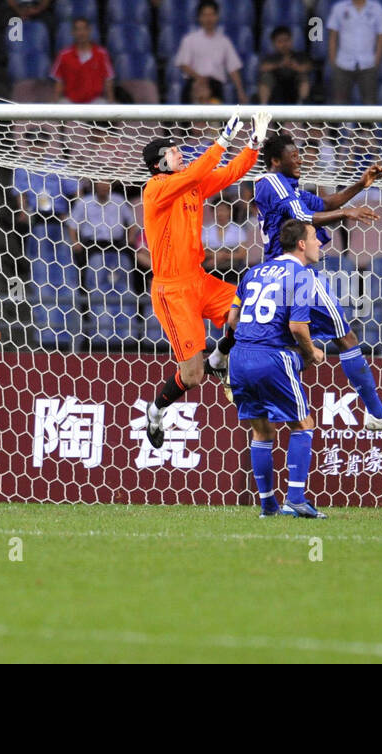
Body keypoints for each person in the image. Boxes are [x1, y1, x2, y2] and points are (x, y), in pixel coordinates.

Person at [253, 131, 382, 431]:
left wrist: (360, 186)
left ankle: (231, 365)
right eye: (293, 154)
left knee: (285, 345)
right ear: (275, 160)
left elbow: (323, 204)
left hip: (274, 274)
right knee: (345, 337)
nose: (299, 159)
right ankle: (377, 414)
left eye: (299, 153)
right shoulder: (270, 181)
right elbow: (302, 216)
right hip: (295, 270)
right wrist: (348, 213)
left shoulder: (289, 186)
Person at [140, 112, 265, 449]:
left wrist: (253, 145)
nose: (179, 153)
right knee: (193, 375)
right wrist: (222, 140)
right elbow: (201, 168)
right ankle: (155, 410)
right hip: (171, 290)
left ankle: (220, 356)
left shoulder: (191, 184)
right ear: (158, 163)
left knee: (251, 309)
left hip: (198, 279)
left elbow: (229, 174)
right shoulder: (155, 189)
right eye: (173, 150)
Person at [228, 218, 328, 518]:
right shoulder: (302, 275)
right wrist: (311, 353)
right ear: (301, 244)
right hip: (271, 357)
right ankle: (295, 498)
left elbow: (231, 320)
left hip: (240, 356)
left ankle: (268, 506)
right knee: (303, 423)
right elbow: (298, 326)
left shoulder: (254, 271)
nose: (319, 243)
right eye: (314, 238)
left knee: (261, 431)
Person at [326, 0, 382, 106]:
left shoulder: (377, 9)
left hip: (368, 63)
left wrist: (376, 61)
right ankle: (343, 129)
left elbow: (381, 36)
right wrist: (334, 61)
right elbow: (333, 36)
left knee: (369, 108)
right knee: (340, 107)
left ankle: (366, 130)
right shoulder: (339, 8)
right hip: (343, 63)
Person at [173, 0, 245, 104]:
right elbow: (183, 64)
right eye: (205, 15)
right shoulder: (190, 39)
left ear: (217, 16)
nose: (208, 19)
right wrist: (200, 78)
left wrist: (240, 91)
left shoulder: (224, 41)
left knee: (214, 116)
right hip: (194, 82)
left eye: (211, 15)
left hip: (215, 85)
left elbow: (233, 68)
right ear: (199, 17)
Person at [52, 17, 115, 104]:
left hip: (95, 102)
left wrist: (111, 102)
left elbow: (108, 80)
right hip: (71, 102)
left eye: (84, 29)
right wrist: (55, 102)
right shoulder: (63, 55)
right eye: (78, 30)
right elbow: (59, 82)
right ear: (73, 32)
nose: (81, 33)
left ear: (89, 31)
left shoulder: (102, 54)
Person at [258, 26, 311, 105]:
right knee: (265, 77)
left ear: (291, 40)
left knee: (304, 77)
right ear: (274, 43)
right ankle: (263, 107)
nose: (284, 44)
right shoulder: (270, 57)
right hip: (276, 89)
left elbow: (308, 67)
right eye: (280, 41)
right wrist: (279, 65)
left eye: (286, 40)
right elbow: (262, 68)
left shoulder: (299, 55)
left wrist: (295, 67)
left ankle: (301, 105)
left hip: (294, 88)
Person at [202, 197, 249, 283]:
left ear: (230, 211)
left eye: (223, 210)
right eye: (217, 210)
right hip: (211, 269)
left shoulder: (238, 230)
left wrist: (224, 256)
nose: (220, 213)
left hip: (232, 270)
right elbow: (202, 252)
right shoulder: (207, 230)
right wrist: (214, 255)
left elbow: (242, 254)